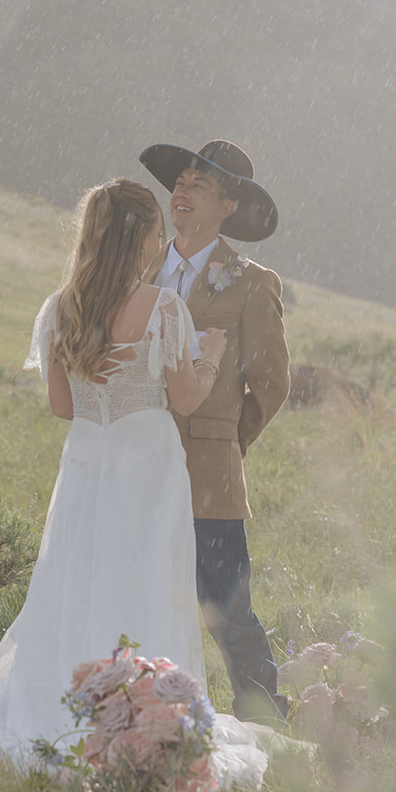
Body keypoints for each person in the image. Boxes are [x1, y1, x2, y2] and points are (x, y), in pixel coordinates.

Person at [0, 178, 230, 765]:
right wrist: (210, 358)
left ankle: (70, 701)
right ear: (139, 237)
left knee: (76, 582)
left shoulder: (62, 309)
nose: (159, 244)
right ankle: (140, 710)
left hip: (86, 466)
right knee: (144, 583)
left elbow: (62, 405)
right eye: (156, 233)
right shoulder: (164, 309)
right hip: (148, 469)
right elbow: (185, 398)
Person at [139, 139, 291, 721]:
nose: (182, 191)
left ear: (228, 207)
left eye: (198, 185)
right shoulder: (140, 267)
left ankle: (264, 716)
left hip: (210, 475)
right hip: (136, 462)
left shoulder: (251, 282)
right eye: (179, 182)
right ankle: (134, 705)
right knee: (137, 589)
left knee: (225, 605)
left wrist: (225, 440)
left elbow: (271, 383)